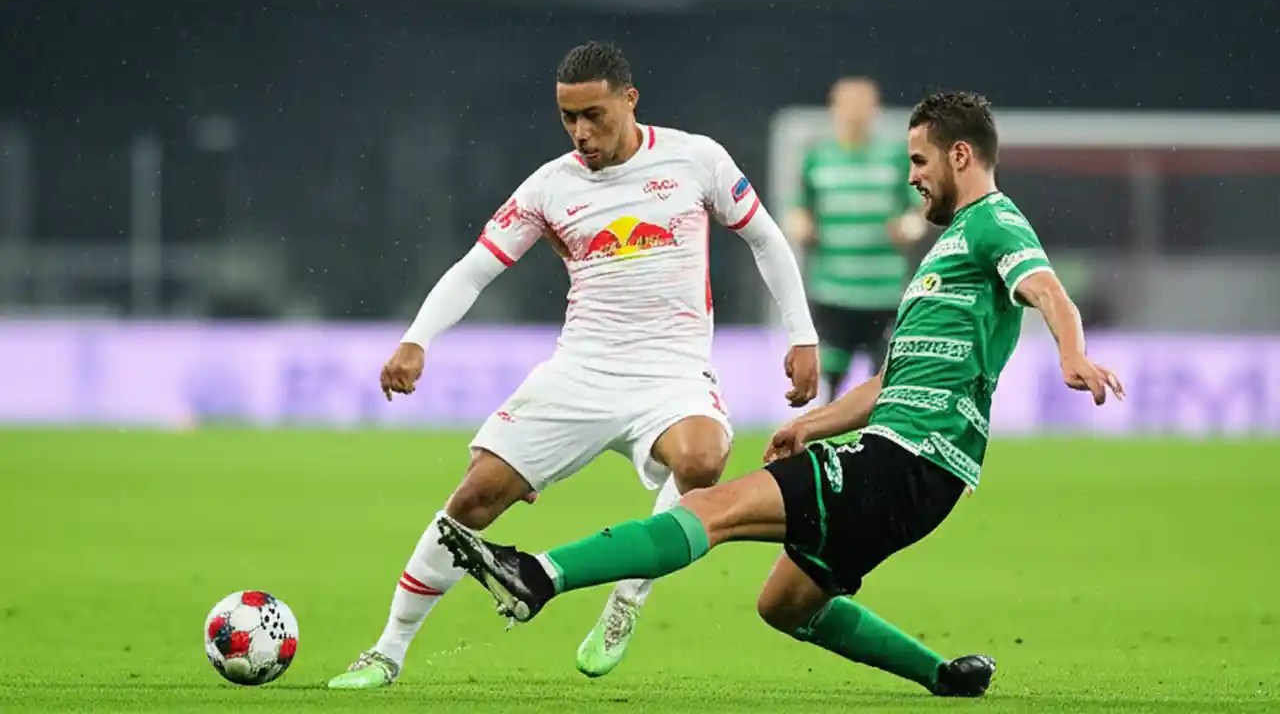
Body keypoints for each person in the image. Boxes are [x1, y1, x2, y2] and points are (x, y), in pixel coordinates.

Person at [436, 91, 1126, 697]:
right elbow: (891, 383)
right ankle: (942, 676)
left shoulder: (994, 224)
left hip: (908, 463)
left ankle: (538, 575)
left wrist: (1072, 353)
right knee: (785, 603)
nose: (911, 178)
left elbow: (1047, 289)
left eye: (919, 161)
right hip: (908, 467)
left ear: (962, 155)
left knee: (712, 509)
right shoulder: (947, 253)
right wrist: (816, 424)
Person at [326, 41, 820, 689]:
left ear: (629, 99)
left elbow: (765, 238)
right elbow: (478, 267)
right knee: (475, 498)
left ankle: (625, 603)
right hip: (581, 373)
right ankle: (387, 650)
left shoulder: (696, 159)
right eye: (569, 118)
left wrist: (801, 333)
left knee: (702, 458)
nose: (582, 132)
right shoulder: (549, 187)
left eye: (595, 114)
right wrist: (418, 339)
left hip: (672, 374)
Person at [787, 76, 928, 402]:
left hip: (885, 289)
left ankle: (877, 441)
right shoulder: (818, 158)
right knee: (831, 377)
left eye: (862, 105)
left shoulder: (894, 157)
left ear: (874, 109)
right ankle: (825, 436)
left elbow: (919, 206)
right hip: (834, 287)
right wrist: (800, 225)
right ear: (834, 109)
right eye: (847, 105)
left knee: (885, 377)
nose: (854, 113)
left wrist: (911, 224)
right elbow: (799, 209)